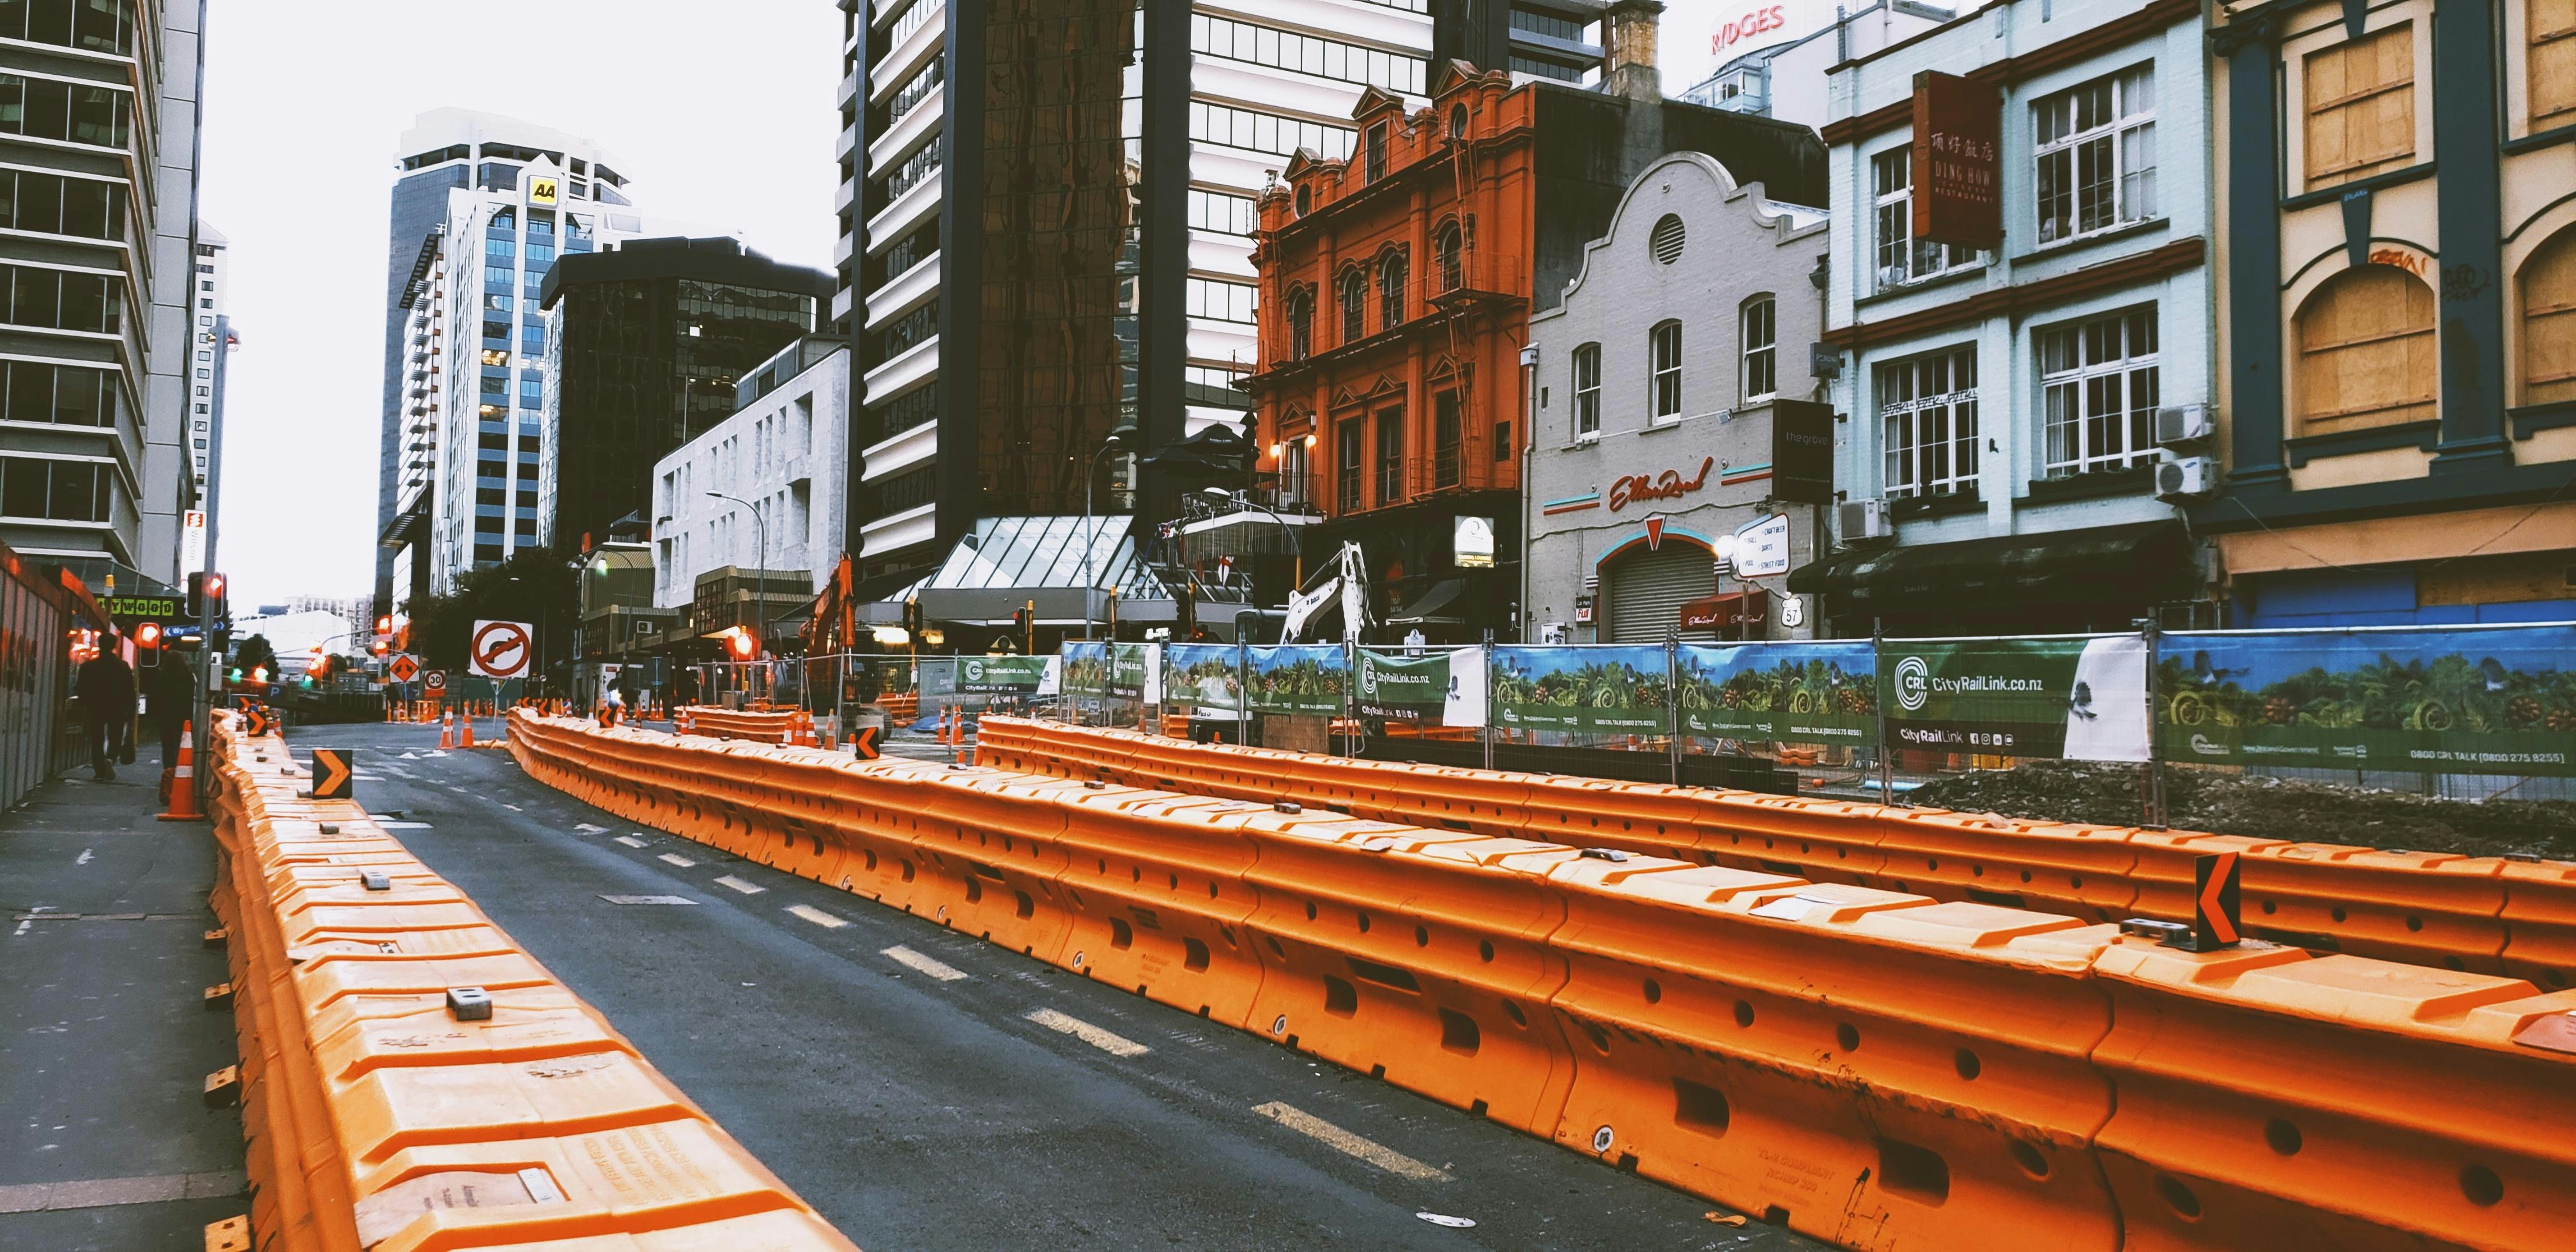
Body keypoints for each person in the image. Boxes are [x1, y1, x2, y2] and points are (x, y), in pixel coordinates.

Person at [75, 633, 136, 781]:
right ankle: (111, 758)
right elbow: (130, 690)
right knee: (115, 735)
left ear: (99, 645)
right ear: (115, 646)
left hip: (96, 707)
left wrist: (87, 703)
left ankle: (99, 769)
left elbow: (80, 690)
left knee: (97, 738)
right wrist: (131, 712)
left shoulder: (88, 667)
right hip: (118, 708)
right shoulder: (123, 667)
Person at [150, 646, 199, 800]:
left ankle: (168, 773)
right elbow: (194, 698)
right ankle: (180, 772)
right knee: (182, 746)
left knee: (168, 745)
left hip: (166, 716)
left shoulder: (161, 676)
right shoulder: (190, 677)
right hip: (185, 717)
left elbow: (156, 697)